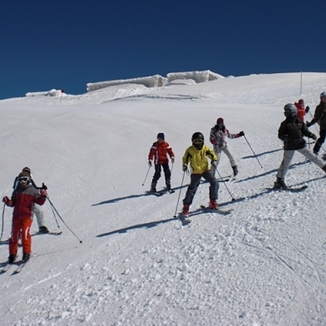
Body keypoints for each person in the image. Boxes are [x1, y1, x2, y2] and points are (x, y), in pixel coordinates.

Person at [274, 103, 326, 190]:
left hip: (300, 144)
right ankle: (279, 180)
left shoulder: (299, 121)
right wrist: (284, 137)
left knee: (313, 157)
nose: (286, 114)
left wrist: (311, 134)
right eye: (285, 112)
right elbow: (280, 134)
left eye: (288, 112)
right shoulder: (284, 124)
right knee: (286, 163)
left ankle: (324, 167)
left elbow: (304, 130)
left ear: (293, 112)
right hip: (289, 146)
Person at [3, 171, 48, 264]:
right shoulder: (17, 191)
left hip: (27, 216)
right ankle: (12, 254)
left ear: (28, 180)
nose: (22, 181)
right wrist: (8, 201)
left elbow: (40, 202)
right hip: (16, 217)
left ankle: (26, 253)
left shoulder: (32, 190)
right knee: (14, 235)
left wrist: (43, 196)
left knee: (25, 234)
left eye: (25, 179)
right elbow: (13, 203)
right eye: (20, 179)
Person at [181, 132, 219, 216]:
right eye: (195, 141)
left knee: (214, 182)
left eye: (199, 141)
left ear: (202, 141)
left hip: (206, 170)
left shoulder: (205, 148)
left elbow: (212, 154)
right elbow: (185, 158)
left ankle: (212, 201)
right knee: (192, 189)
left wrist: (214, 159)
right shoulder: (190, 150)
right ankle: (186, 206)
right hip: (196, 172)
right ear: (192, 141)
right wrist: (184, 165)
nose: (197, 143)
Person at [12, 167, 49, 233]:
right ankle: (17, 233)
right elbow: (15, 188)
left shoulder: (27, 179)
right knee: (21, 217)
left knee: (38, 212)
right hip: (21, 200)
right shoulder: (20, 178)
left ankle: (42, 227)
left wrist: (41, 189)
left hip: (28, 199)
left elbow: (34, 188)